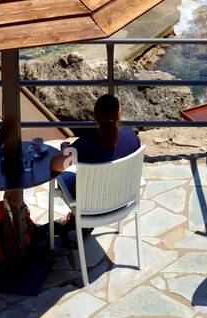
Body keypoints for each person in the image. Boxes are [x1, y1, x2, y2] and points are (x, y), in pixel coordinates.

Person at [50, 94, 141, 223]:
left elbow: (55, 166)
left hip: (90, 208)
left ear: (95, 116)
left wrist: (66, 150)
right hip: (121, 203)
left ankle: (75, 221)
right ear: (121, 113)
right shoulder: (132, 137)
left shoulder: (85, 144)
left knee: (64, 177)